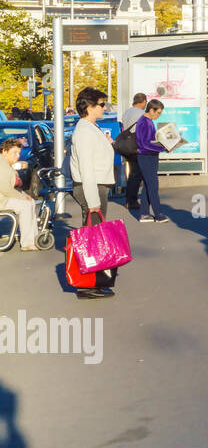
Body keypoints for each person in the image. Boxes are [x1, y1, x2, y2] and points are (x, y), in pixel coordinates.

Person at [69, 87, 117, 299]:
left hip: (96, 186)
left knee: (94, 236)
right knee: (92, 238)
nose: (104, 108)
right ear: (89, 107)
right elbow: (86, 168)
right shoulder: (85, 131)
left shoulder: (91, 127)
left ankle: (94, 281)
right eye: (101, 104)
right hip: (92, 187)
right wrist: (93, 201)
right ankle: (87, 285)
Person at [134, 99, 183, 223]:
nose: (159, 115)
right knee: (153, 186)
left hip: (149, 156)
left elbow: (147, 142)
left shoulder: (147, 121)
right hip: (146, 157)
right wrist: (163, 147)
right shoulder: (144, 122)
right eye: (158, 112)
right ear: (151, 110)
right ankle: (158, 214)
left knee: (147, 185)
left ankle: (144, 214)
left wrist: (164, 145)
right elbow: (144, 144)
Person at [0, 138, 40, 251]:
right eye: (14, 153)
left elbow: (13, 187)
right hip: (2, 199)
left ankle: (34, 238)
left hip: (4, 197)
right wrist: (22, 197)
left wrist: (24, 196)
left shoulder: (6, 164)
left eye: (18, 153)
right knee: (25, 205)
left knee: (30, 202)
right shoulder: (1, 165)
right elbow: (5, 188)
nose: (17, 156)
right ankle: (27, 243)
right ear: (4, 151)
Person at [119, 93, 148, 211]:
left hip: (126, 145)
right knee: (137, 174)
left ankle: (129, 198)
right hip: (136, 145)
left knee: (132, 172)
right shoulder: (142, 114)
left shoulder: (127, 112)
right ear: (144, 102)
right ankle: (131, 200)